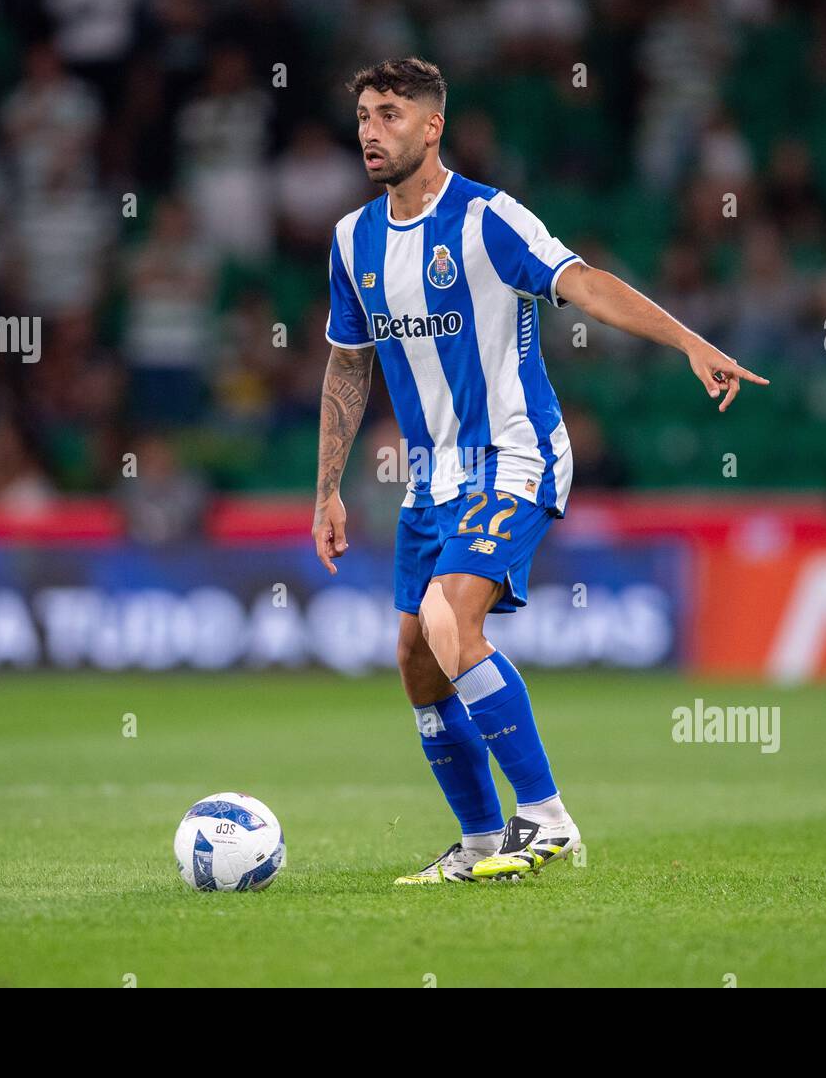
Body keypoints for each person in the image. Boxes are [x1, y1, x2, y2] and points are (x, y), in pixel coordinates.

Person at [312, 57, 767, 884]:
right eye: (364, 116)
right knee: (417, 658)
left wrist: (689, 341)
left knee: (452, 620)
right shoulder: (352, 241)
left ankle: (547, 819)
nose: (371, 131)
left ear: (431, 125)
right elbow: (348, 367)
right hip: (428, 483)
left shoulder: (490, 219)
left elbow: (584, 284)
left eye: (389, 114)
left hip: (514, 456)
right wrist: (327, 490)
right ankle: (483, 840)